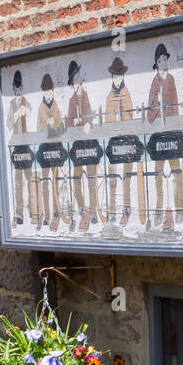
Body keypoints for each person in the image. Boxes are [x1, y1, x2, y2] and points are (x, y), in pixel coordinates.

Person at [147, 43, 183, 230]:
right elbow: (149, 113)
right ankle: (158, 210)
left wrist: (174, 123)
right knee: (158, 175)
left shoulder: (171, 80)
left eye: (165, 59)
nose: (164, 63)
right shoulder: (155, 82)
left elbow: (176, 105)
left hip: (171, 133)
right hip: (159, 137)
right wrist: (157, 104)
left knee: (177, 173)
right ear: (156, 63)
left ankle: (179, 209)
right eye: (161, 60)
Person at [66, 59, 99, 233]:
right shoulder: (72, 100)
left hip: (90, 143)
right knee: (77, 179)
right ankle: (81, 208)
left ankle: (93, 211)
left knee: (92, 179)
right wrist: (76, 122)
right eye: (74, 79)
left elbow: (91, 114)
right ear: (72, 83)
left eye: (78, 77)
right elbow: (69, 123)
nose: (77, 81)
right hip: (78, 145)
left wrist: (87, 121)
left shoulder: (86, 95)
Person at [104, 55, 135, 227]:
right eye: (115, 76)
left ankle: (126, 209)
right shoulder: (110, 96)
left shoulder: (126, 92)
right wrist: (113, 118)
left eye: (119, 76)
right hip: (113, 143)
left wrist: (121, 116)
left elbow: (130, 115)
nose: (117, 79)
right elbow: (107, 119)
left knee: (126, 178)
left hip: (126, 142)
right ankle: (113, 210)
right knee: (112, 178)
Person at [6, 69, 37, 227]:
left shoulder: (27, 102)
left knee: (30, 179)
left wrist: (25, 111)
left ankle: (33, 211)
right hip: (16, 147)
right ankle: (19, 214)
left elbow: (31, 115)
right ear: (13, 88)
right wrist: (15, 115)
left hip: (26, 145)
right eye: (16, 89)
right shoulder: (12, 104)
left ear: (22, 88)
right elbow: (8, 124)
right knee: (18, 183)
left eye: (20, 88)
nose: (18, 91)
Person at [36, 72, 65, 233]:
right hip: (44, 149)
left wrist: (54, 122)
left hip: (55, 147)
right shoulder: (41, 107)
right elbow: (37, 128)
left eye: (50, 91)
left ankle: (56, 212)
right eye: (46, 91)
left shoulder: (55, 106)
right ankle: (46, 215)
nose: (49, 93)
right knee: (45, 182)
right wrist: (45, 124)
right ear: (43, 92)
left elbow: (59, 122)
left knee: (55, 181)